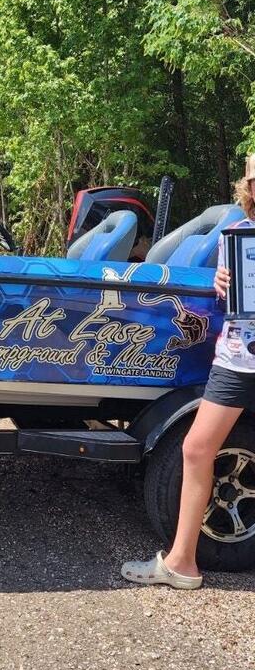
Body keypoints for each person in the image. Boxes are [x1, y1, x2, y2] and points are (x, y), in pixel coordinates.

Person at [121, 153, 255, 589]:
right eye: (254, 180)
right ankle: (182, 563)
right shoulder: (235, 236)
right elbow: (228, 301)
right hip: (236, 359)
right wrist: (220, 286)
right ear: (247, 188)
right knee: (197, 449)